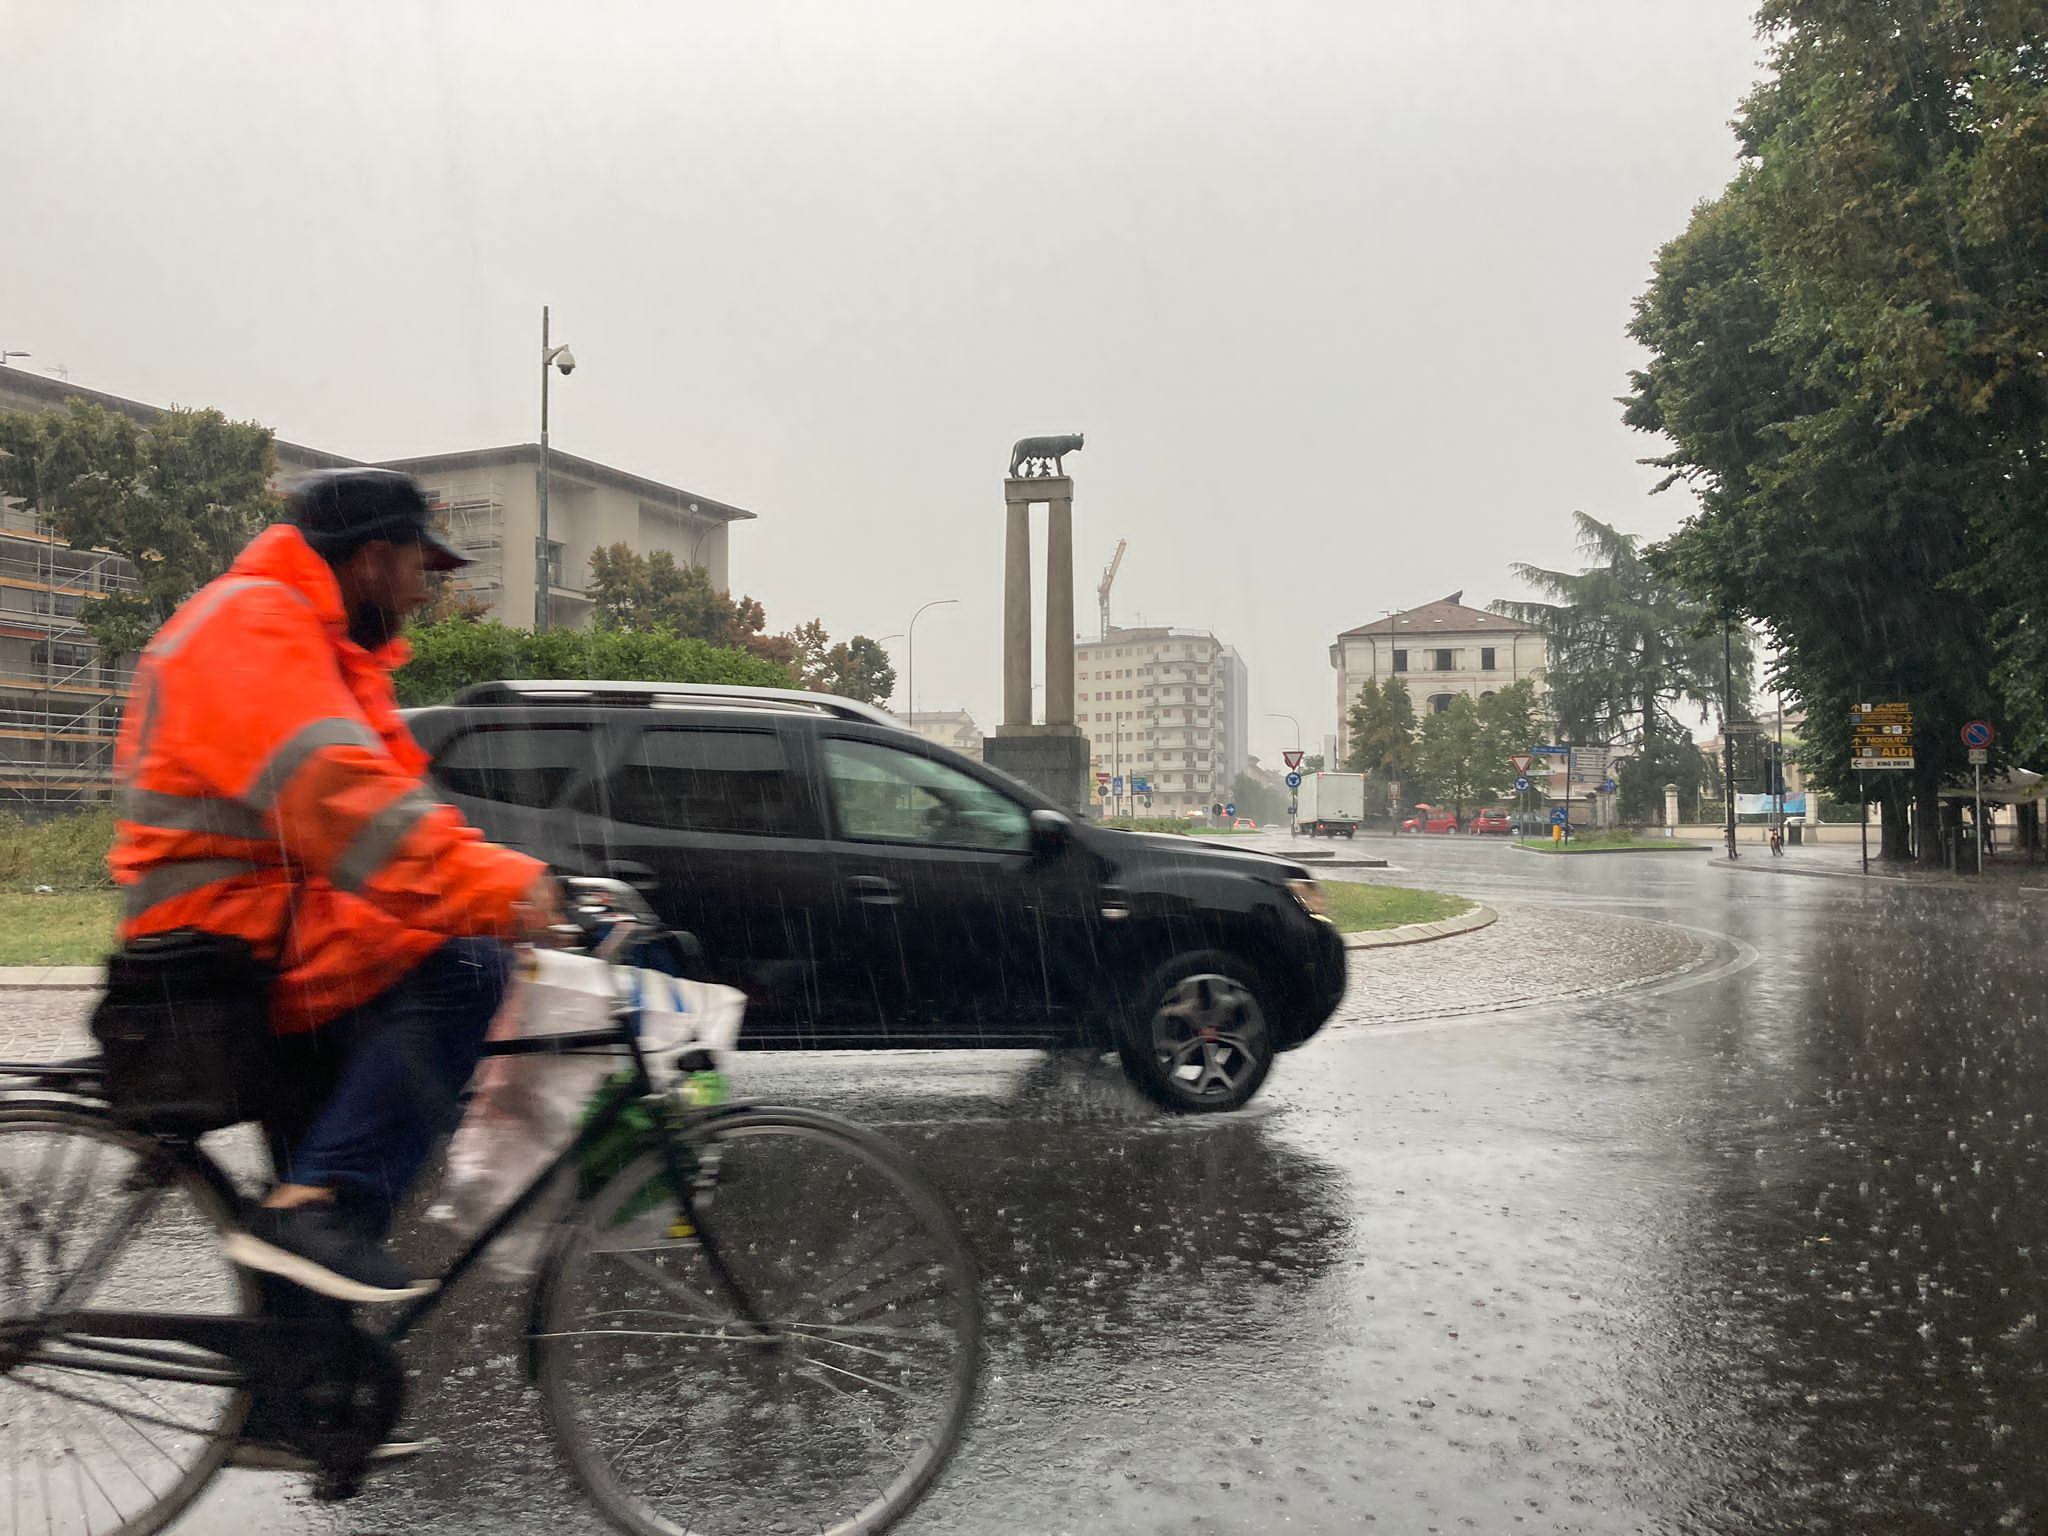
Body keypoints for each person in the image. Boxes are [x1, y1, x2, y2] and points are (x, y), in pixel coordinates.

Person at [111, 467, 561, 1311]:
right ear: (371, 558)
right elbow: (351, 811)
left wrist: (508, 878)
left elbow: (401, 806)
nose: (426, 592)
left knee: (315, 1239)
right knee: (466, 968)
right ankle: (315, 1209)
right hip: (223, 939)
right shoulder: (252, 627)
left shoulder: (324, 643)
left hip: (279, 925)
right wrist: (503, 893)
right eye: (419, 567)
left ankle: (310, 1369)